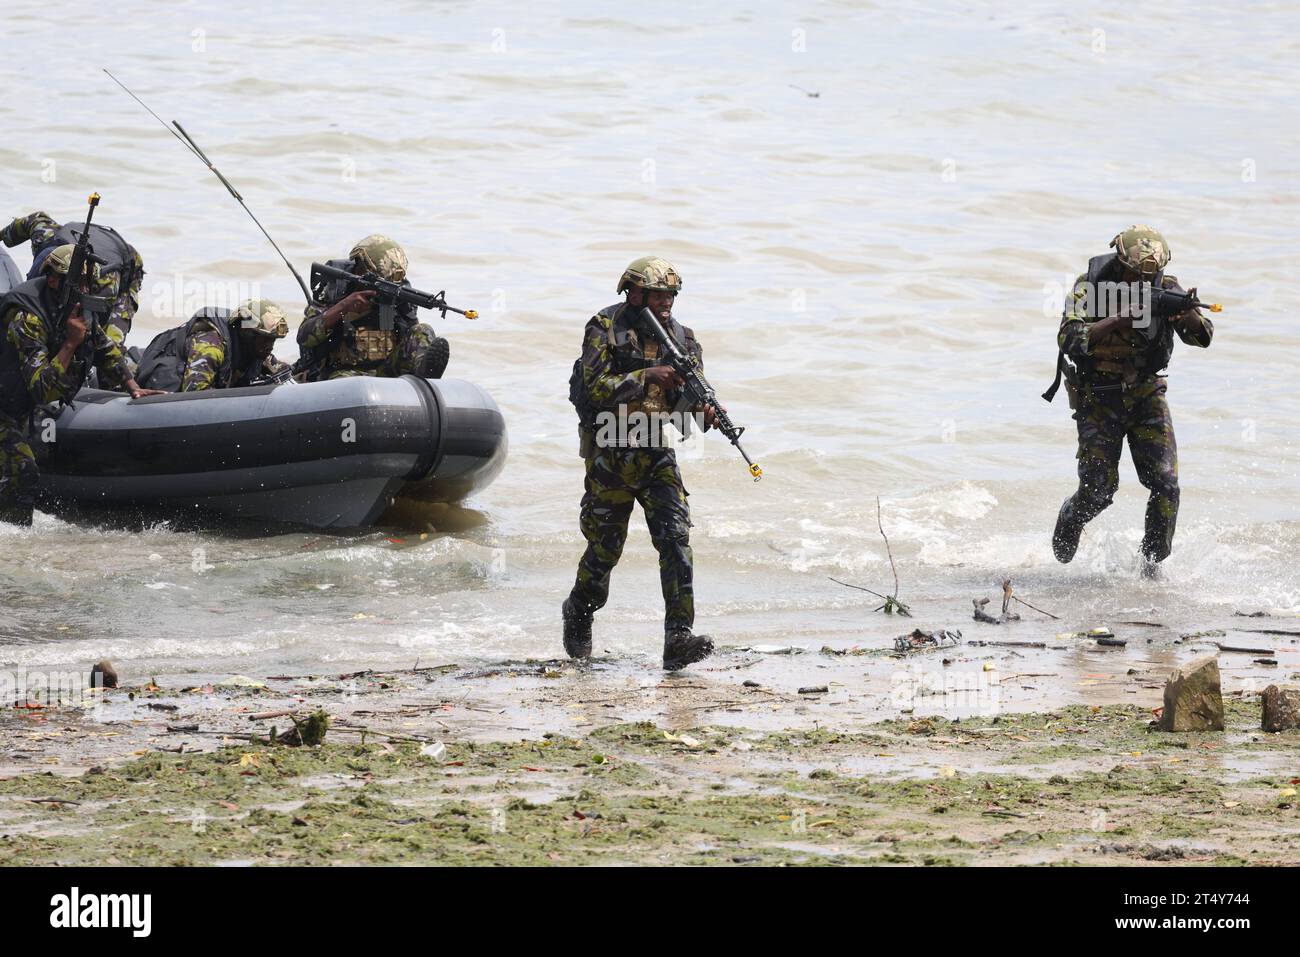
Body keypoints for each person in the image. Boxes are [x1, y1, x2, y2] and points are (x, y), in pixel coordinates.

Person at [563, 255, 718, 671]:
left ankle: (677, 639)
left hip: (656, 451)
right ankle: (578, 610)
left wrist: (703, 414)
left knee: (675, 540)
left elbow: (688, 411)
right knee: (604, 549)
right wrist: (648, 376)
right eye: (657, 294)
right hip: (611, 450)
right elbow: (595, 389)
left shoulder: (683, 339)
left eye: (671, 295)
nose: (666, 302)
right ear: (633, 292)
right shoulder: (604, 327)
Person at [1051, 225, 1214, 573]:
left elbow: (1203, 338)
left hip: (1146, 394)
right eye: (1134, 274)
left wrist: (1186, 314)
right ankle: (1071, 517)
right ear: (1120, 264)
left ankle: (1151, 567)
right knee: (1098, 491)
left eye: (1149, 276)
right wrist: (1118, 318)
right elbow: (1068, 337)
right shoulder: (1089, 286)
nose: (1141, 281)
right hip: (1099, 397)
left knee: (1166, 485)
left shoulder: (1166, 289)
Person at [0, 245, 162, 525]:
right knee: (23, 469)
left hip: (15, 401)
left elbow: (104, 348)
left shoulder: (74, 308)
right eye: (80, 283)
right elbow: (42, 390)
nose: (86, 289)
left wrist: (132, 385)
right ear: (53, 280)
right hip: (6, 404)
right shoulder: (27, 317)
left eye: (89, 283)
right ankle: (15, 542)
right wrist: (70, 343)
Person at [295, 234, 449, 381]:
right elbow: (304, 337)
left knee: (422, 330)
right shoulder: (335, 291)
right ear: (362, 269)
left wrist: (400, 309)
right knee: (347, 384)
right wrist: (344, 307)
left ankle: (425, 374)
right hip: (343, 372)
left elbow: (410, 336)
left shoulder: (398, 296)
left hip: (385, 371)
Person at [0, 210, 144, 346]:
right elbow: (35, 218)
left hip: (123, 262)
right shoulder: (44, 237)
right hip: (75, 235)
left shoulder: (103, 283)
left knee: (111, 339)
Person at [136, 299, 292, 392]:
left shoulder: (257, 351)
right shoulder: (210, 345)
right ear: (248, 333)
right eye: (265, 339)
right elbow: (194, 393)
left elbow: (280, 369)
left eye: (273, 340)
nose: (270, 346)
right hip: (168, 391)